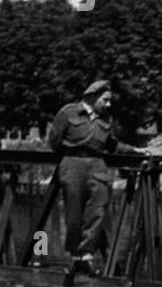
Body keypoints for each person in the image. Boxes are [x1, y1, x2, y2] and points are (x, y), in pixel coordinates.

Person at [46, 79, 138, 274]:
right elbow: (54, 140)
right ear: (92, 97)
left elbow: (111, 145)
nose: (108, 104)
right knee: (74, 214)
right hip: (72, 164)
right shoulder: (68, 112)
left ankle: (86, 254)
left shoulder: (106, 119)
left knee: (98, 211)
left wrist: (134, 150)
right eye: (105, 100)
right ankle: (74, 254)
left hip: (97, 165)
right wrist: (69, 159)